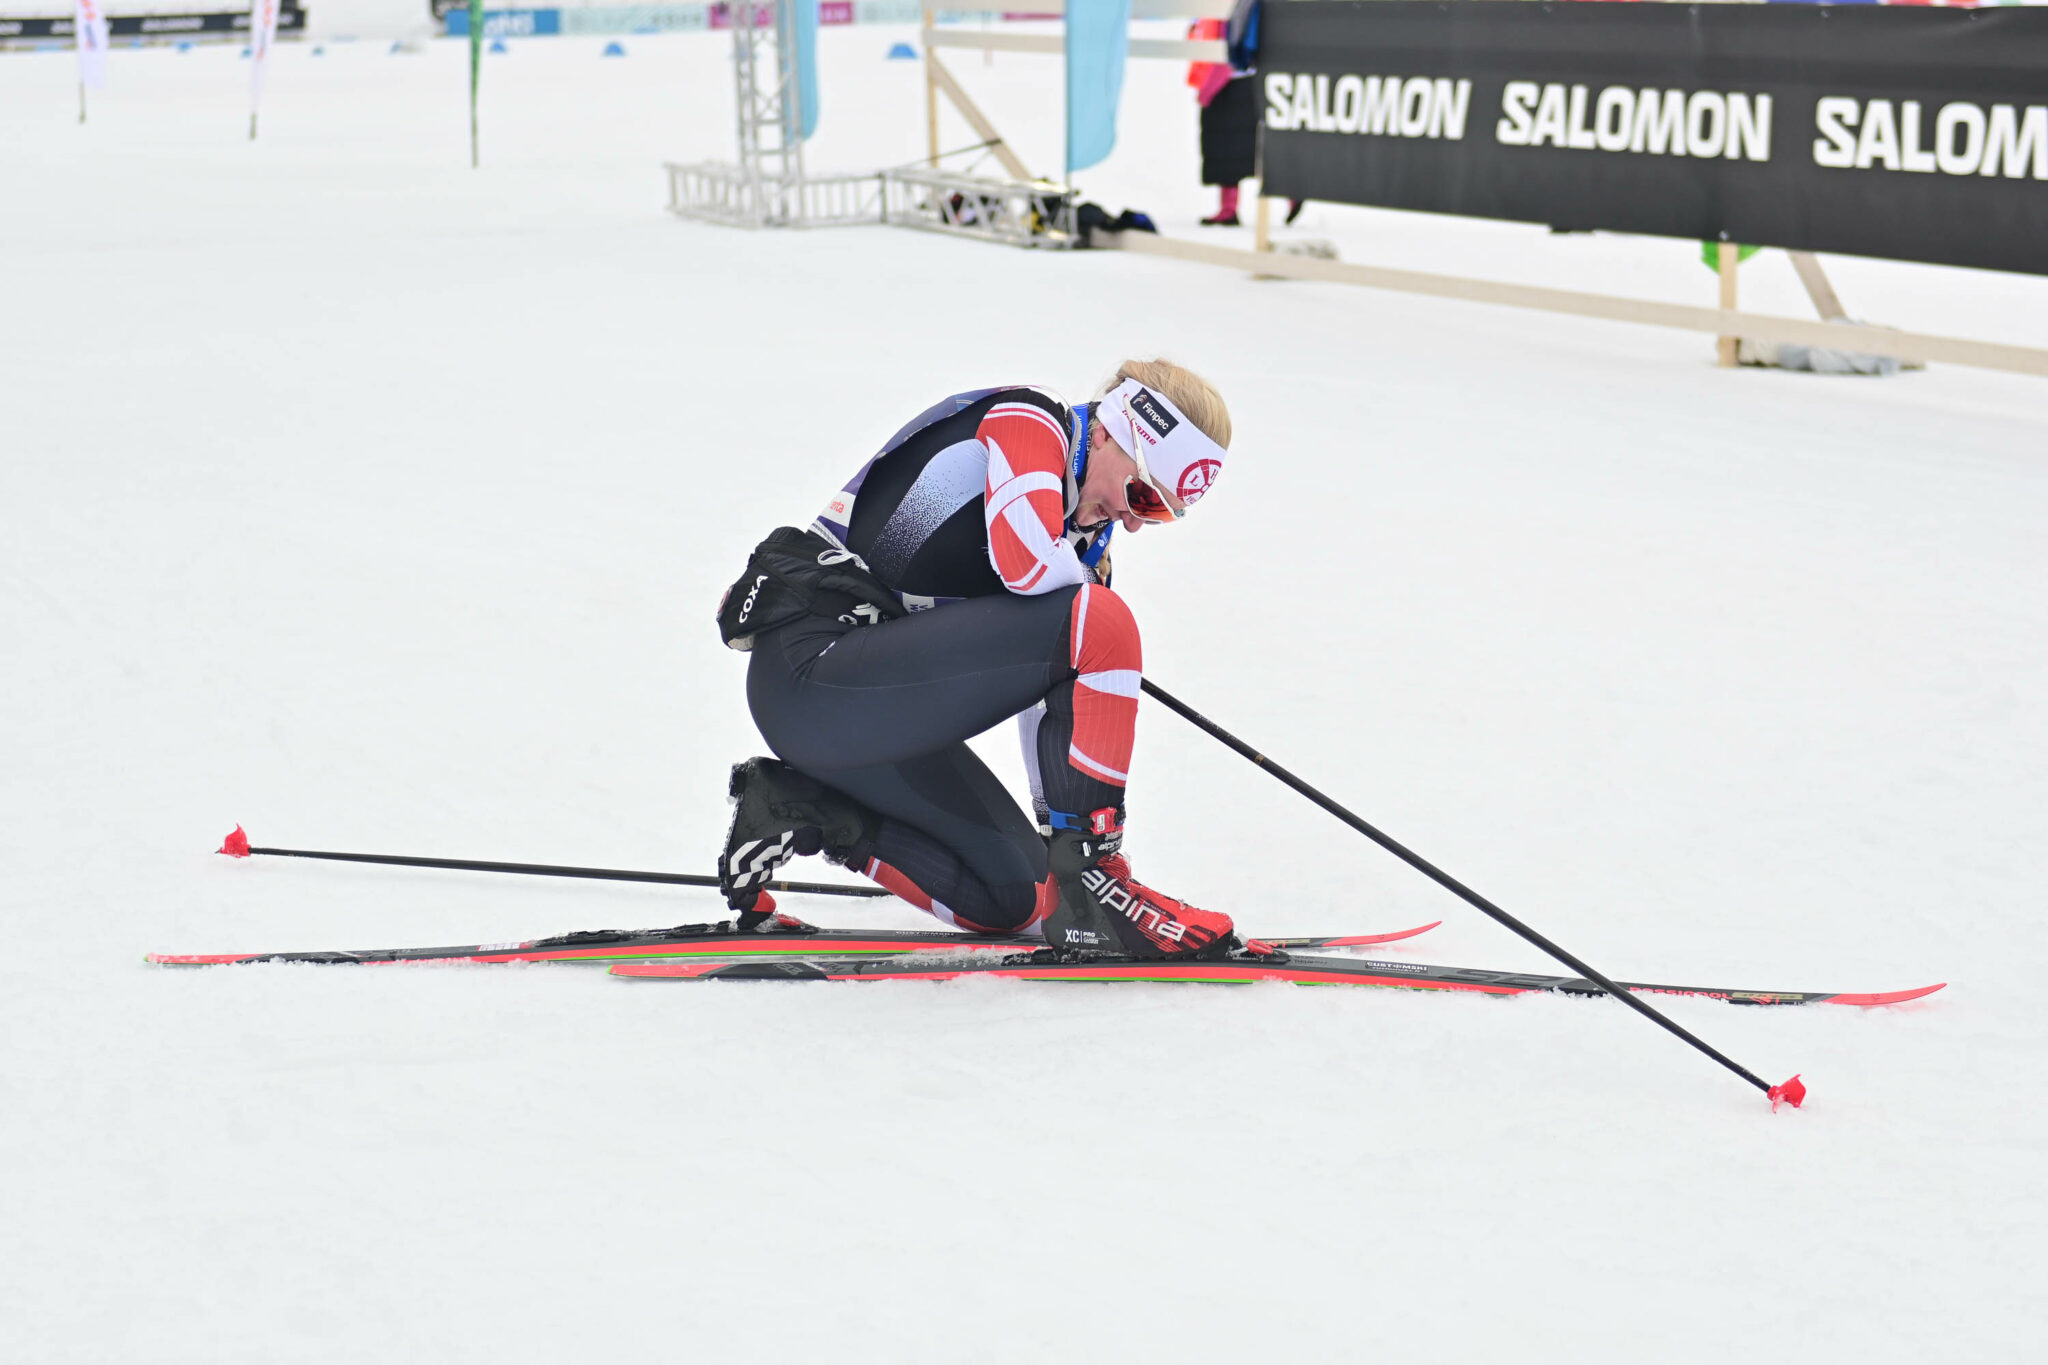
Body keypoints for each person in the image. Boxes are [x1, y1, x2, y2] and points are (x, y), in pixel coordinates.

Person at [711, 361, 1238, 960]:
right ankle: (1101, 883)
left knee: (1020, 901)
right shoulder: (1029, 419)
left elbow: (1053, 698)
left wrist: (1062, 849)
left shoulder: (1086, 540)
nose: (1136, 521)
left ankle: (800, 809)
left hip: (876, 717)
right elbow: (1028, 563)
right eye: (1142, 494)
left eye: (1160, 513)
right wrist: (1093, 876)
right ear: (1115, 431)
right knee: (1102, 619)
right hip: (813, 680)